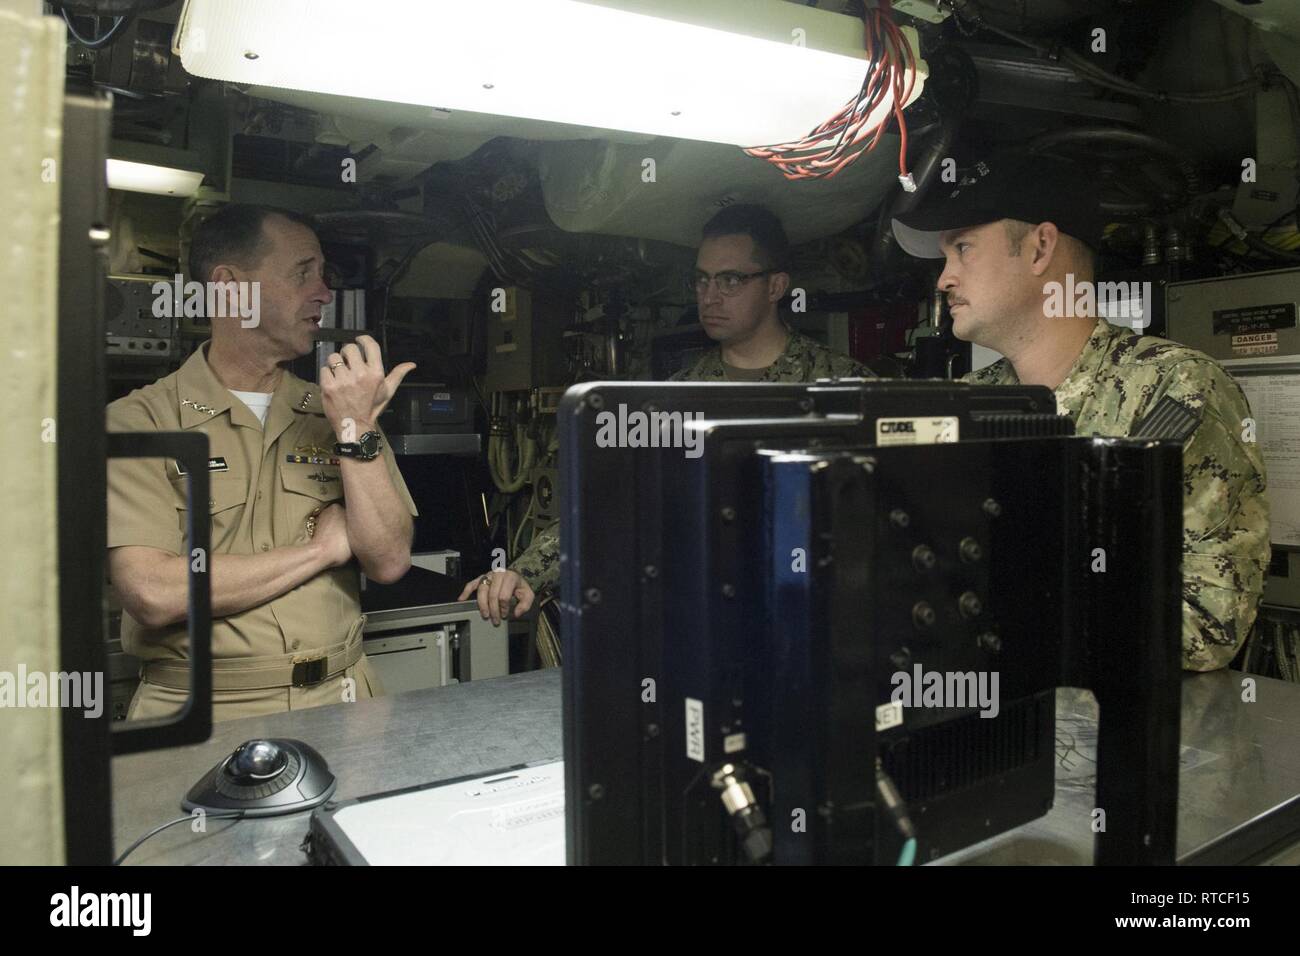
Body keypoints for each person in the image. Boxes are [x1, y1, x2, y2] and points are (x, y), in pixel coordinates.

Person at [892, 155, 1270, 671]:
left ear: (1041, 247)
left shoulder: (1171, 390)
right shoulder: (964, 403)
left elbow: (1207, 623)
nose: (943, 280)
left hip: (1115, 727)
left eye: (961, 249)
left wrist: (1014, 619)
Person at [460, 203, 869, 624]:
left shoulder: (843, 387)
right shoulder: (671, 400)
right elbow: (612, 506)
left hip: (813, 627)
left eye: (731, 280)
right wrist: (526, 574)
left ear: (776, 286)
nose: (710, 297)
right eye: (702, 279)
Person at [108, 204, 419, 720]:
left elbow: (388, 560)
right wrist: (321, 552)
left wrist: (357, 430)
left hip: (345, 699)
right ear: (231, 287)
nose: (323, 292)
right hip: (204, 709)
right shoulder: (139, 420)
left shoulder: (337, 409)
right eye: (303, 272)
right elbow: (154, 592)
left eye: (323, 275)